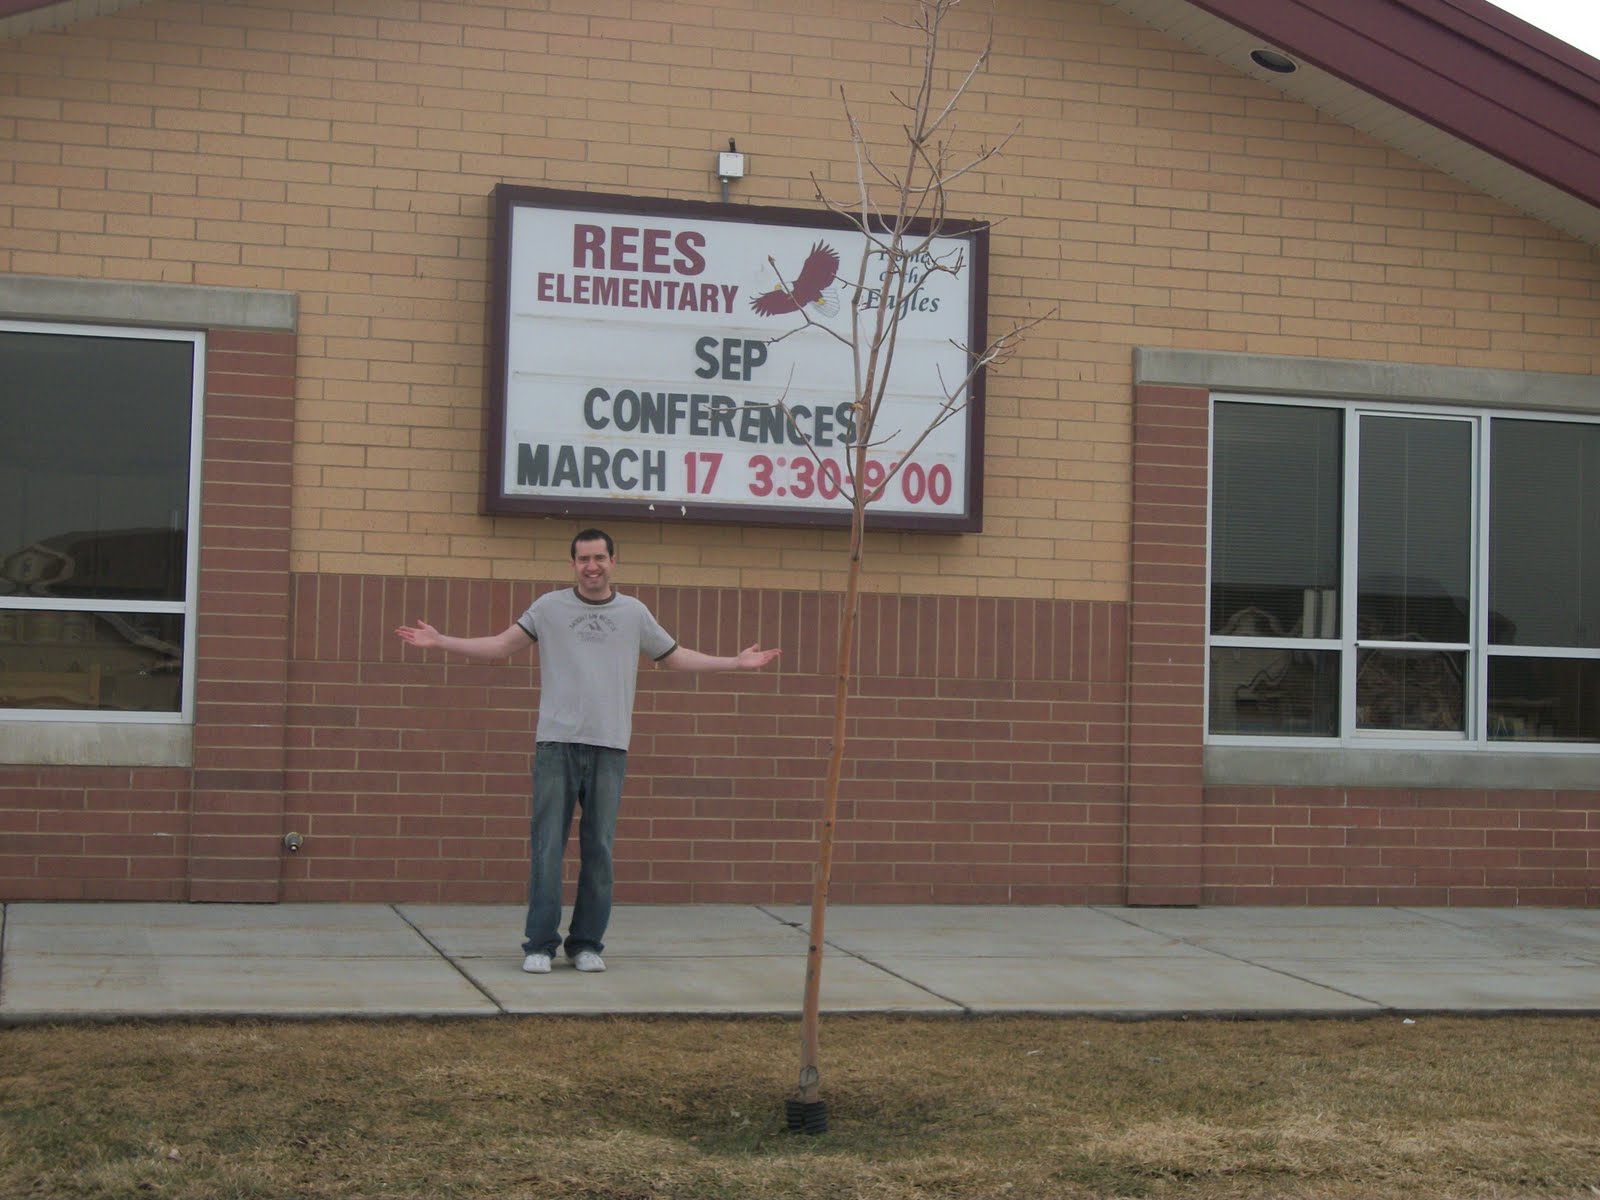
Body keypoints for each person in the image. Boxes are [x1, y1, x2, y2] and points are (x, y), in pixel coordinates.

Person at [394, 528, 780, 976]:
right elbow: (501, 646)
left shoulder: (634, 613)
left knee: (598, 849)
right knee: (547, 848)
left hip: (610, 746)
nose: (591, 566)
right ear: (573, 564)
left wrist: (733, 663)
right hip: (556, 745)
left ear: (613, 561)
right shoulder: (549, 608)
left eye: (599, 558)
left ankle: (585, 945)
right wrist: (442, 641)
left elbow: (674, 656)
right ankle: (539, 944)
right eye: (583, 559)